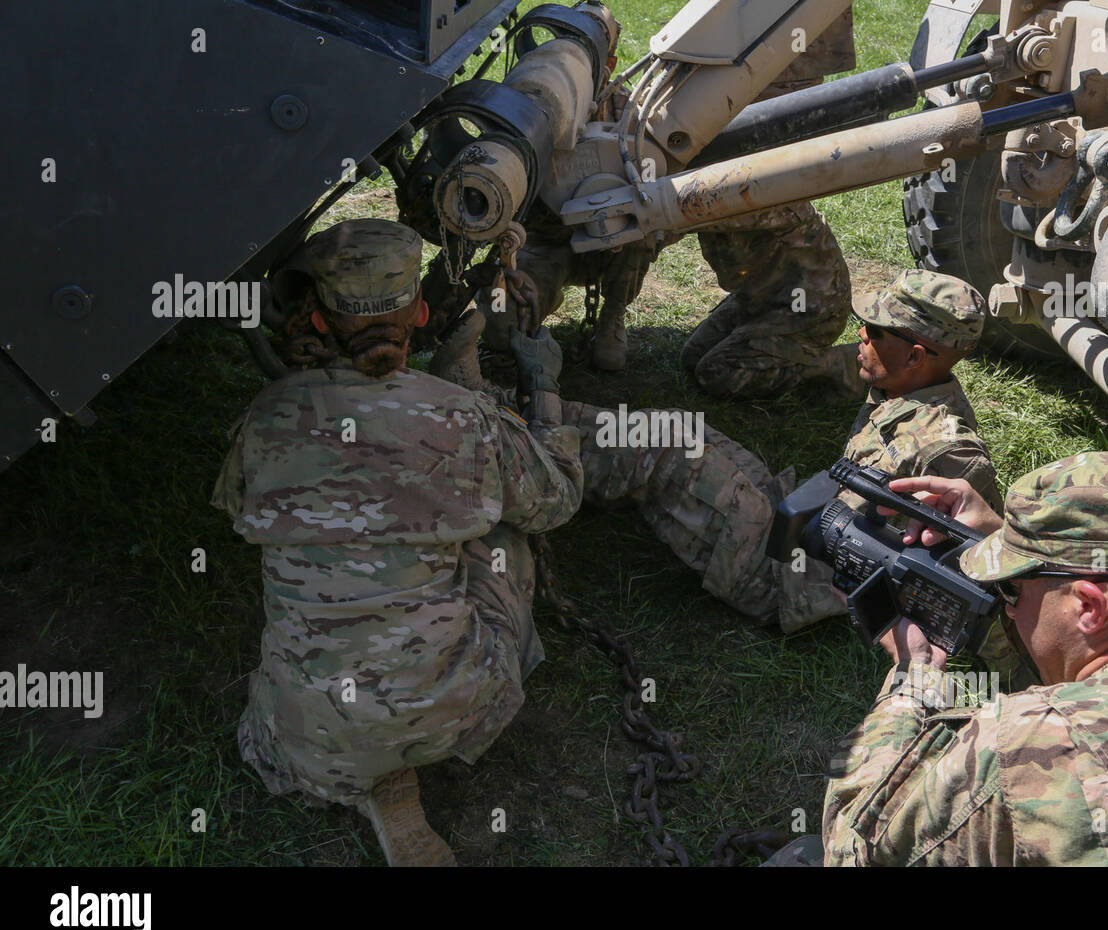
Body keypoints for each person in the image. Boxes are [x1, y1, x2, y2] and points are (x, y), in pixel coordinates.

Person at [211, 218, 581, 866]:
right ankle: (402, 744)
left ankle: (364, 768)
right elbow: (556, 502)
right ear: (419, 311)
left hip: (303, 736)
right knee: (505, 535)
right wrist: (542, 387)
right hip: (453, 709)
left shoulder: (265, 419)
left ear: (319, 322)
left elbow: (242, 510)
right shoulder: (461, 418)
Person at [819, 449, 1108, 866]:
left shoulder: (1030, 745)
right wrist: (1008, 549)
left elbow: (856, 844)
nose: (1008, 606)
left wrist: (912, 677)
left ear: (1089, 606)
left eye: (1011, 591)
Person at [562, 270, 1027, 686]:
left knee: (662, 449)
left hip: (788, 576)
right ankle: (543, 428)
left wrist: (1016, 673)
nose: (860, 335)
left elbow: (990, 582)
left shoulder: (948, 450)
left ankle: (534, 444)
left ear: (916, 356)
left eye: (876, 331)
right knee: (680, 427)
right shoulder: (903, 383)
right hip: (800, 515)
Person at [484, 10, 857, 395]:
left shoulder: (745, 187)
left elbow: (660, 211)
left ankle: (842, 368)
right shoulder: (618, 122)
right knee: (693, 358)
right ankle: (759, 331)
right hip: (755, 296)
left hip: (807, 303)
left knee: (719, 375)